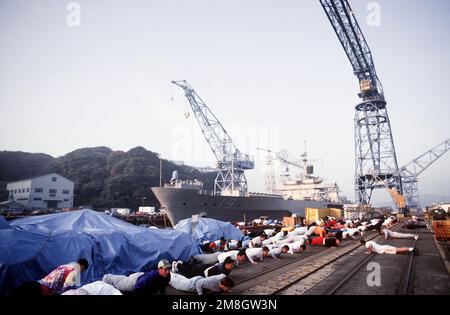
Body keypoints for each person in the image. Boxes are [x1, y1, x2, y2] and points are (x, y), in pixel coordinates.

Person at [102, 259, 171, 295]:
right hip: (135, 281)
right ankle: (107, 278)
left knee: (125, 278)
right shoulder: (150, 278)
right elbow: (137, 287)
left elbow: (163, 285)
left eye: (168, 269)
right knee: (121, 283)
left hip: (142, 276)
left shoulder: (167, 276)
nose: (168, 271)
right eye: (165, 269)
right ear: (159, 269)